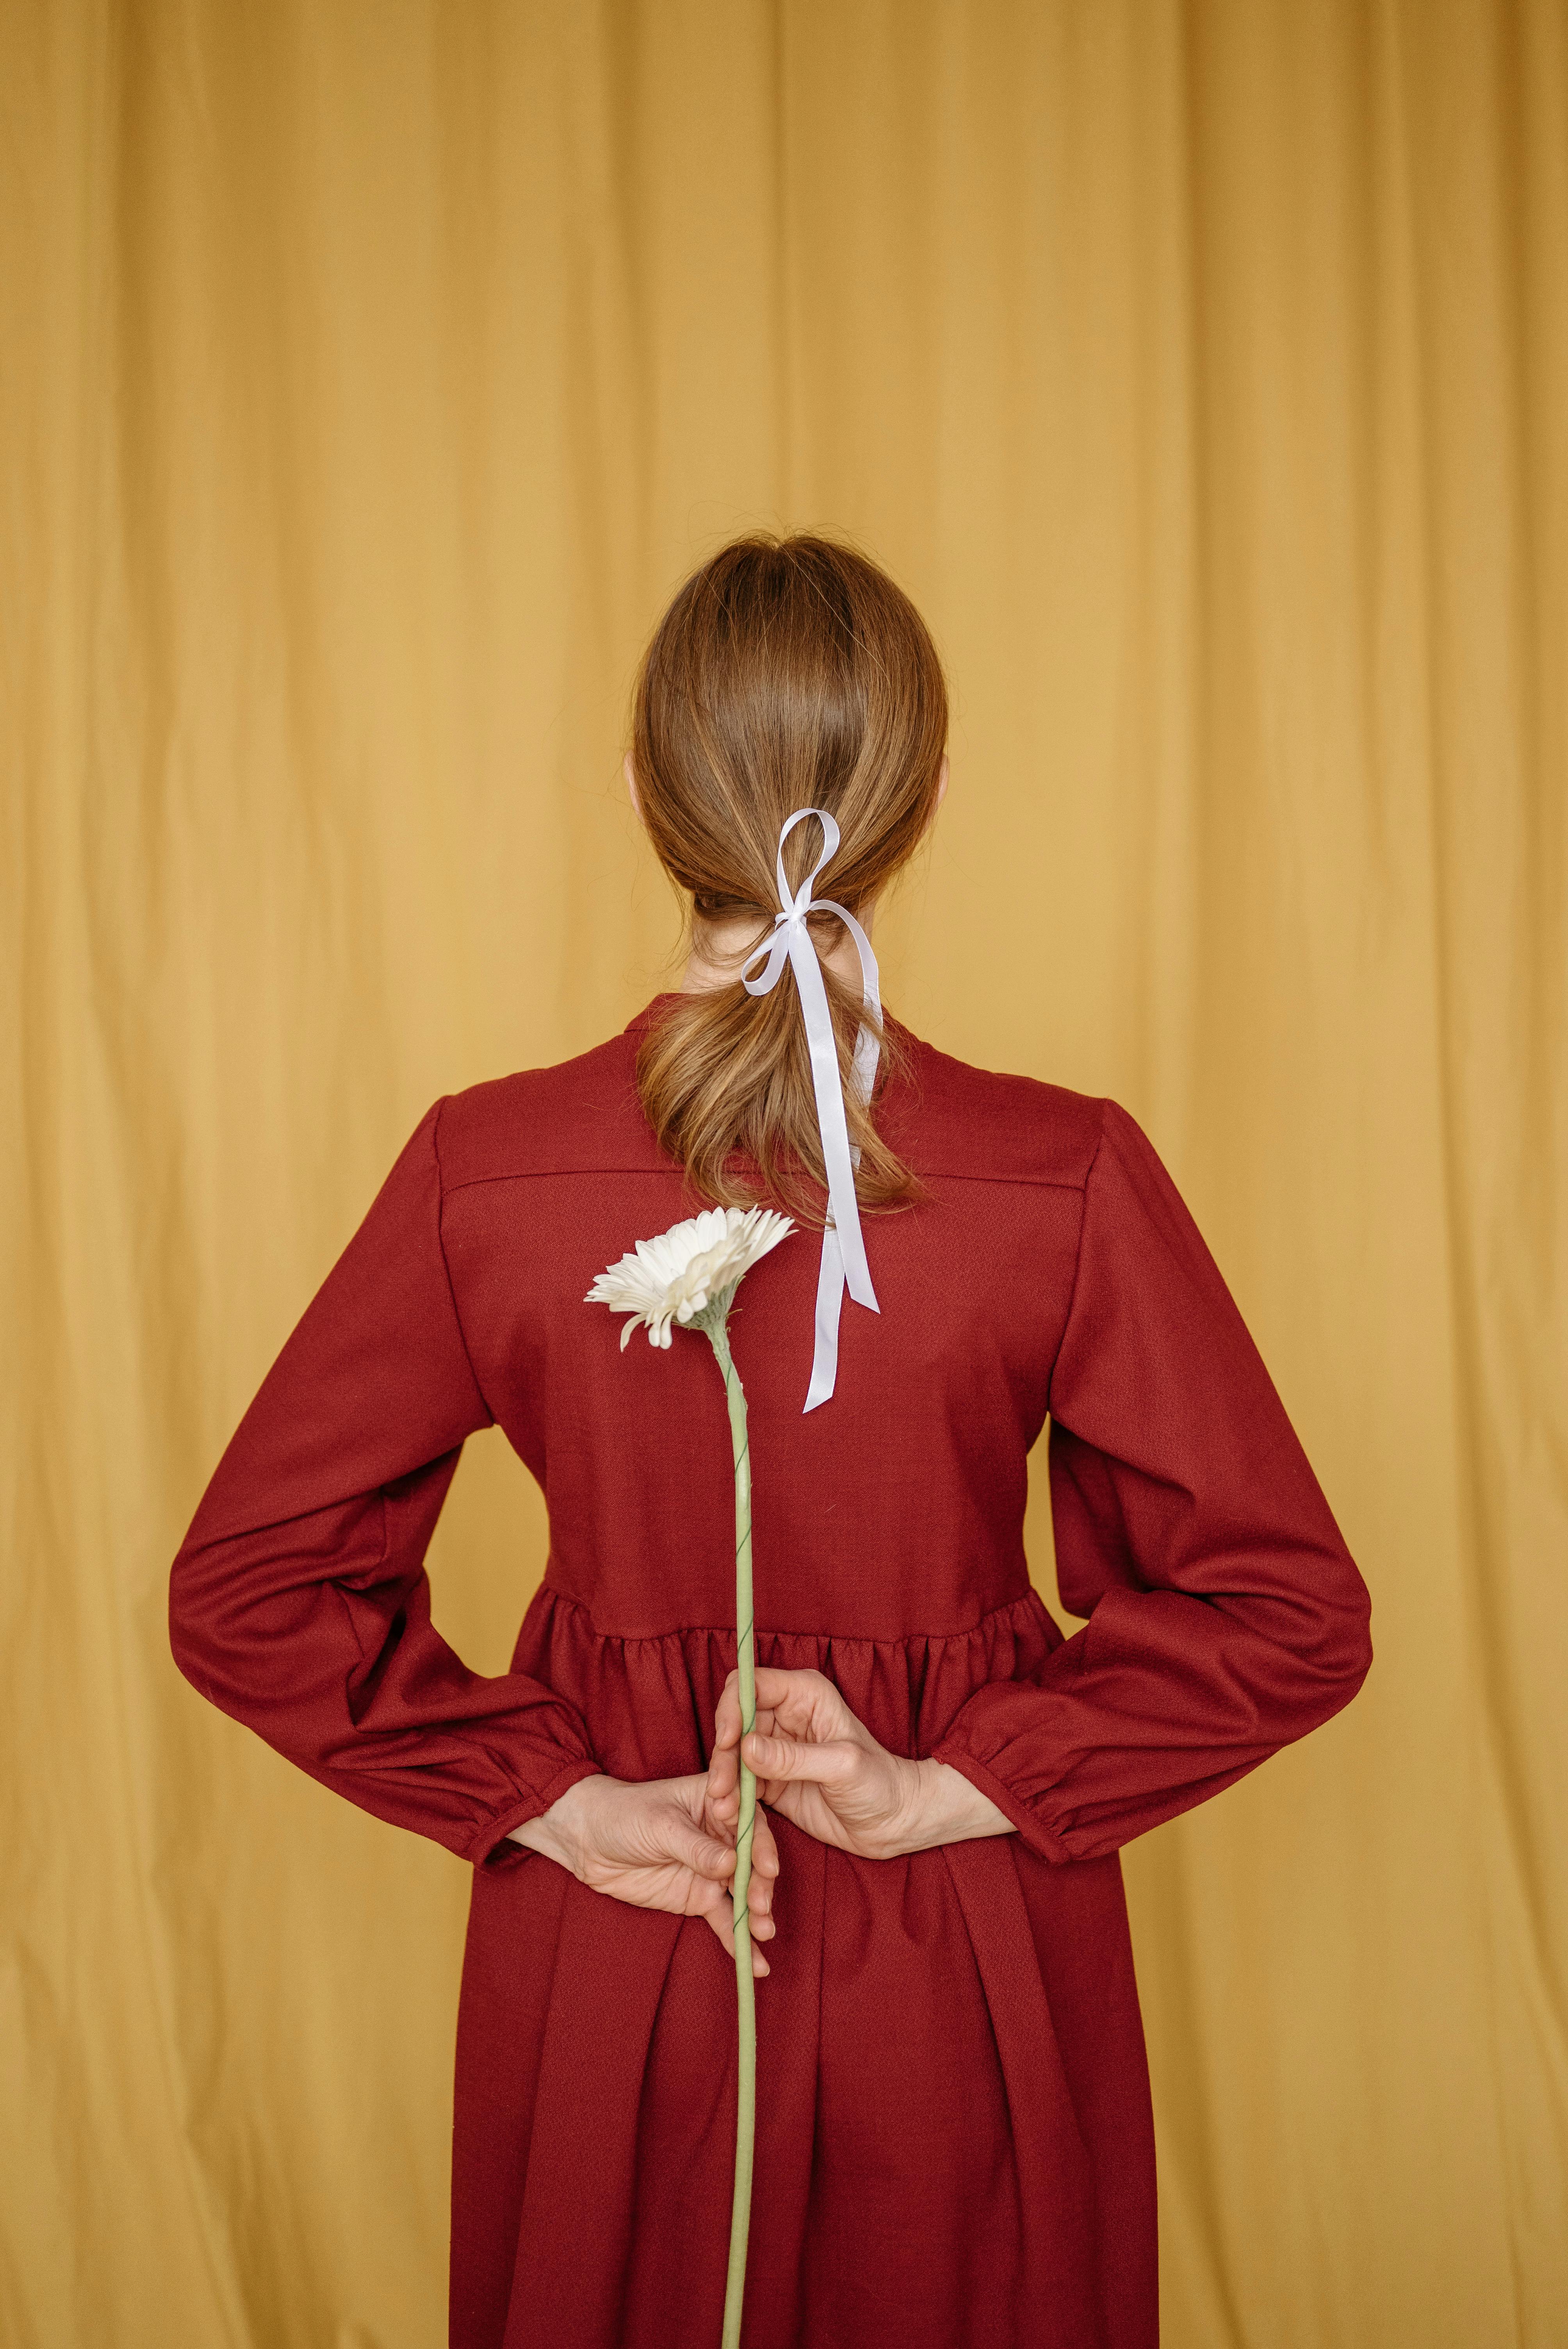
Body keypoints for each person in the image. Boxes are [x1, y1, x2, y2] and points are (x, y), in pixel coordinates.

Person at [169, 534, 1372, 2349]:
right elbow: (1284, 1605)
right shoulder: (1061, 1173)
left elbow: (248, 1581)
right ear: (920, 801)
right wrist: (954, 1782)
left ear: (645, 792)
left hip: (632, 1916)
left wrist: (558, 1803)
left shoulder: (482, 1171)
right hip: (965, 1943)